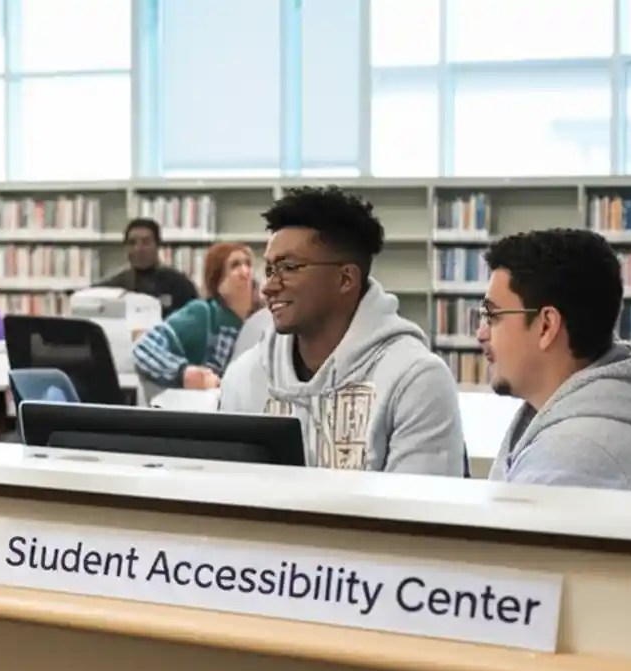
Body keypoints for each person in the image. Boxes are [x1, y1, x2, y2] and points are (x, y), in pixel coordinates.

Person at [219, 186, 464, 476]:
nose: (268, 287)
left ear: (346, 279)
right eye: (270, 270)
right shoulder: (244, 377)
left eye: (289, 267)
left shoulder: (416, 380)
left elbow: (417, 503)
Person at [479, 228, 631, 493]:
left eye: (492, 316)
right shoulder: (605, 414)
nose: (481, 333)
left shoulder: (571, 460)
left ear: (546, 326)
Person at [132, 242, 258, 389]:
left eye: (248, 264)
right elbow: (145, 348)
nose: (245, 272)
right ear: (217, 280)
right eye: (235, 265)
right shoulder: (202, 314)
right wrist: (182, 373)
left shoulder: (263, 321)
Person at [96, 218, 198, 318]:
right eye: (132, 243)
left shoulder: (179, 285)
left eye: (145, 242)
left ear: (157, 245)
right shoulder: (111, 287)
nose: (138, 248)